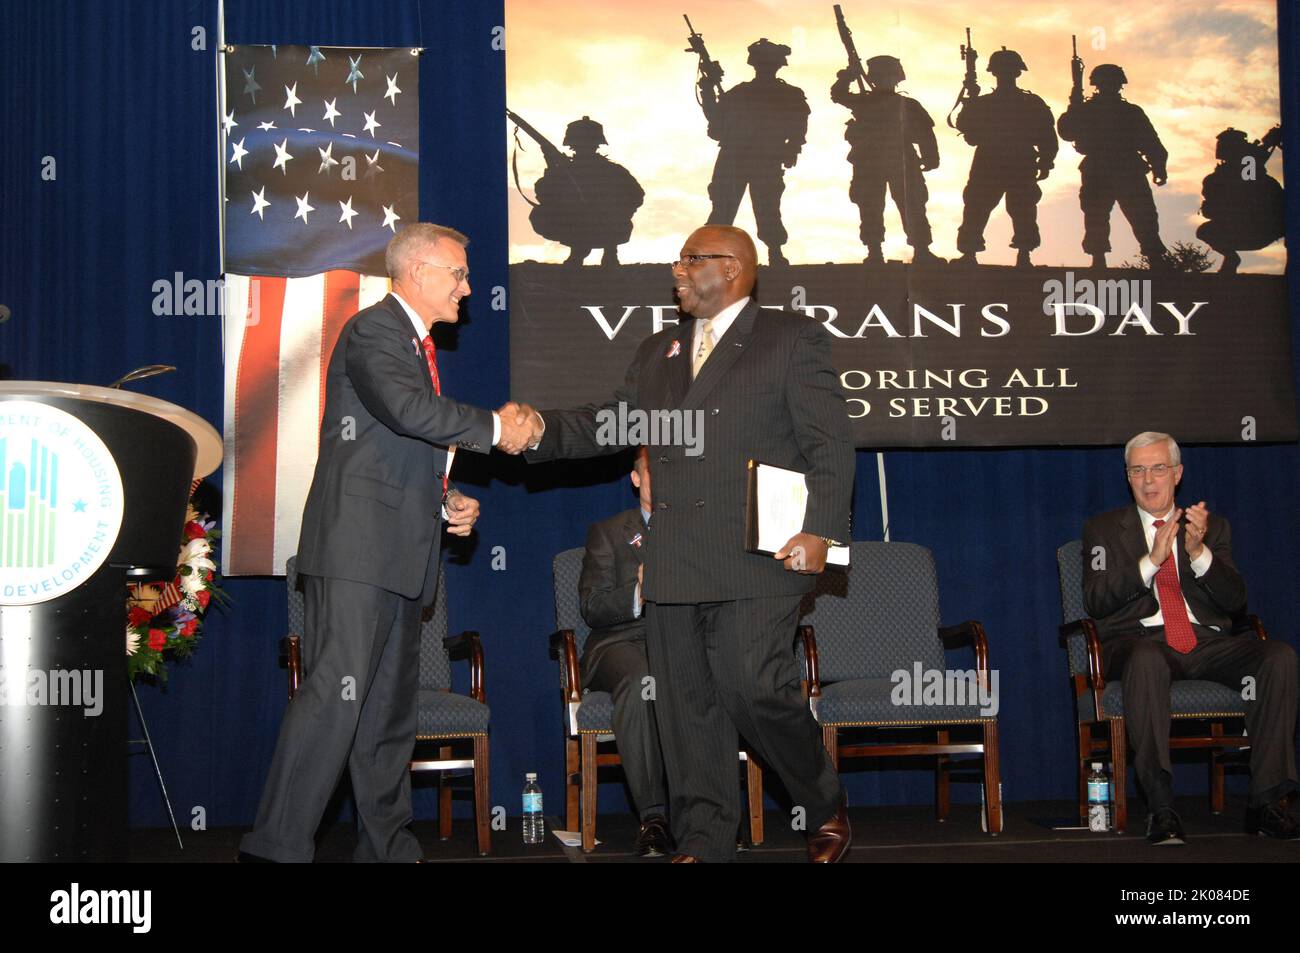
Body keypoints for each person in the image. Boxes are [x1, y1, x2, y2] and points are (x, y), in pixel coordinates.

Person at [518, 224, 855, 862]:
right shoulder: (658, 351)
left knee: (753, 683)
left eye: (690, 259)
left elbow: (829, 445)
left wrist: (823, 530)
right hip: (673, 558)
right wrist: (539, 429)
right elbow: (612, 422)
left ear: (732, 269)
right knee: (687, 707)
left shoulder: (788, 338)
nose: (676, 269)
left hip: (760, 554)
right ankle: (704, 839)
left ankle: (822, 800)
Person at [239, 223, 536, 863]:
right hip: (355, 557)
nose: (467, 287)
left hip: (400, 559)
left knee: (385, 720)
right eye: (457, 274)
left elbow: (394, 447)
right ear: (417, 271)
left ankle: (389, 851)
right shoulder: (375, 330)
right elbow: (408, 411)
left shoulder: (414, 344)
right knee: (331, 703)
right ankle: (274, 850)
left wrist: (444, 499)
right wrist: (495, 426)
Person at [1082, 431, 1298, 845]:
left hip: (1206, 643)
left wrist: (1199, 554)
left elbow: (1236, 600)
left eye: (1158, 468)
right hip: (1138, 641)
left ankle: (1267, 803)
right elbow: (1095, 599)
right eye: (1138, 470)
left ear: (1177, 474)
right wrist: (1151, 561)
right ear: (1127, 477)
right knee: (1146, 658)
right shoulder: (1104, 530)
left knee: (1279, 657)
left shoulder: (1210, 527)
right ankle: (1161, 807)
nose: (1148, 480)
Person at [578, 447, 671, 856]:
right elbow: (592, 607)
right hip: (619, 642)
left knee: (724, 672)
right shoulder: (610, 532)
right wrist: (638, 591)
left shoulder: (696, 530)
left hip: (677, 641)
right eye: (652, 471)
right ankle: (654, 818)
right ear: (636, 479)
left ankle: (707, 813)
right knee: (641, 681)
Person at [700, 38, 809, 267]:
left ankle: (775, 251)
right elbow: (717, 123)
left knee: (766, 206)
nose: (765, 67)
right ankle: (714, 255)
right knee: (725, 207)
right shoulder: (741, 93)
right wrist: (708, 89)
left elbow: (799, 125)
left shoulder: (786, 94)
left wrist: (793, 148)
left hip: (762, 157)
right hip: (738, 156)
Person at [830, 55, 940, 266]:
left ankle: (922, 250)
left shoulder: (905, 104)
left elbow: (925, 133)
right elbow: (838, 94)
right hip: (870, 161)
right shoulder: (865, 102)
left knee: (912, 204)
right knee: (871, 205)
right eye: (882, 76)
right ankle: (874, 250)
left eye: (889, 76)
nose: (886, 80)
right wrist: (849, 75)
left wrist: (930, 156)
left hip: (900, 160)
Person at [1057, 64, 1170, 270]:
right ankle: (1099, 258)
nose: (1110, 86)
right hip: (1106, 167)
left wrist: (1159, 166)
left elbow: (1150, 142)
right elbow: (1067, 132)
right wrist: (1074, 105)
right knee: (1097, 214)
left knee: (1141, 214)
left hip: (1122, 168)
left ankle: (1153, 256)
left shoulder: (1129, 112)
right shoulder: (1089, 109)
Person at [953, 48, 1057, 268]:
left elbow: (1047, 134)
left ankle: (1023, 254)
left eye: (1009, 70)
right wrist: (970, 98)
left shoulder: (1029, 103)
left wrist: (1047, 160)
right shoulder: (985, 102)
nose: (1007, 74)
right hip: (994, 160)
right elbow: (966, 128)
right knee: (977, 206)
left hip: (1012, 160)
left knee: (1021, 208)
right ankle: (972, 254)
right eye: (1004, 70)